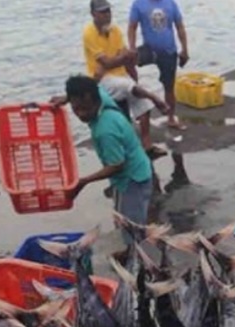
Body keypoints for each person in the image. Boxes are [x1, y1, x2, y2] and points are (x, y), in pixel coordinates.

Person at [63, 75, 154, 251]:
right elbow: (89, 88)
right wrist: (65, 98)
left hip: (131, 179)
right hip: (140, 167)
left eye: (85, 109)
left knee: (129, 227)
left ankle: (137, 259)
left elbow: (117, 165)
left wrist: (84, 181)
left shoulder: (105, 131)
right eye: (76, 108)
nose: (81, 114)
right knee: (128, 218)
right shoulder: (102, 97)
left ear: (93, 101)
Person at [84, 0, 167, 155]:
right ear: (94, 14)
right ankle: (156, 98)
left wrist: (133, 75)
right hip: (101, 79)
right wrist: (121, 58)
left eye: (108, 11)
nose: (107, 15)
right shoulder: (89, 33)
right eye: (103, 12)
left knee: (142, 102)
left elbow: (126, 59)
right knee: (126, 86)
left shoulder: (115, 30)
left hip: (119, 75)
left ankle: (147, 145)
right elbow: (105, 63)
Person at [128, 0, 189, 130]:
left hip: (168, 50)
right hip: (149, 50)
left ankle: (171, 118)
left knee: (169, 86)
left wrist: (184, 49)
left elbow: (180, 27)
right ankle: (137, 111)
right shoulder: (138, 4)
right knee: (128, 67)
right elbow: (132, 27)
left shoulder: (170, 3)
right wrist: (132, 48)